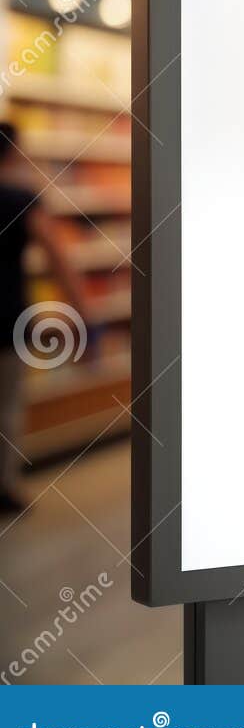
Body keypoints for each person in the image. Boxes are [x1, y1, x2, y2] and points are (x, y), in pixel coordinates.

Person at [0, 122, 96, 514]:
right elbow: (57, 257)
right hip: (6, 317)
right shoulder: (20, 198)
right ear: (12, 151)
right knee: (7, 406)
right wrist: (83, 314)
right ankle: (5, 488)